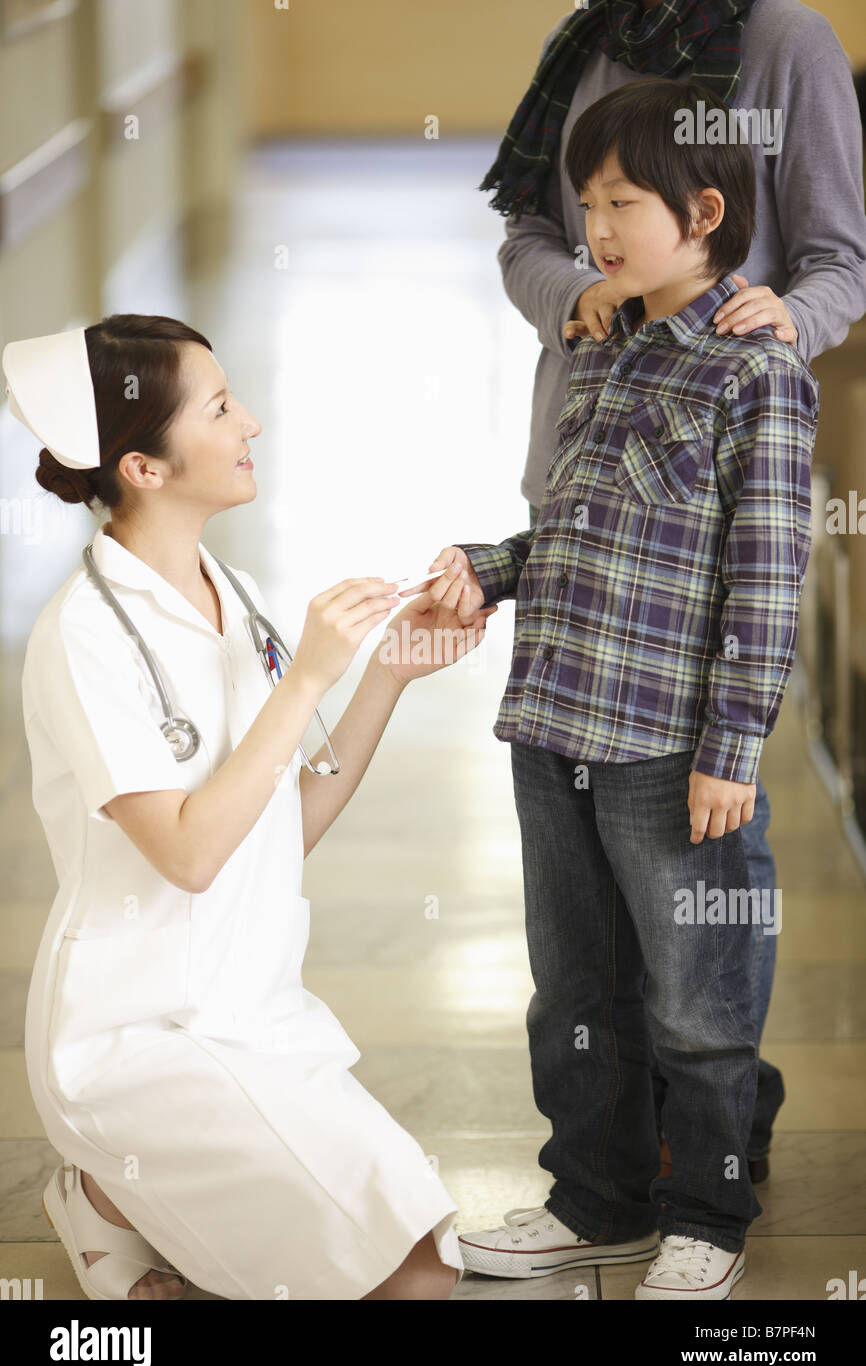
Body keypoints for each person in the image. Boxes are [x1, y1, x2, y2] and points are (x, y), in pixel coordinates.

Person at [406, 77, 820, 1298]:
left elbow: (763, 587)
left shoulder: (758, 379)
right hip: (551, 732)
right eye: (584, 202)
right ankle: (596, 1203)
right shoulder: (600, 347)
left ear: (701, 210)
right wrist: (487, 569)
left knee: (699, 1010)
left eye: (617, 201)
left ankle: (707, 1213)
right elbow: (579, 536)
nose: (592, 228)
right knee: (573, 991)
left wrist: (729, 752)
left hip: (665, 754)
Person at [8, 315, 496, 1300]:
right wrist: (305, 681)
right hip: (133, 1036)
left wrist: (381, 678)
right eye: (222, 406)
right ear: (142, 466)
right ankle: (114, 1183)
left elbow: (284, 826)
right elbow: (189, 856)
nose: (253, 423)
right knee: (406, 1284)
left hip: (259, 1014)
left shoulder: (225, 588)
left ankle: (116, 1205)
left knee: (425, 1252)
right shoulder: (83, 637)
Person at [477, 0, 866, 1188]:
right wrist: (578, 298)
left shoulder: (784, 46)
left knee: (685, 903)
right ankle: (613, 1168)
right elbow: (525, 237)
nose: (600, 222)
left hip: (705, 449)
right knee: (583, 934)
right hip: (591, 444)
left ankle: (708, 1155)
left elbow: (835, 259)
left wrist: (778, 325)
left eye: (620, 207)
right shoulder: (581, 41)